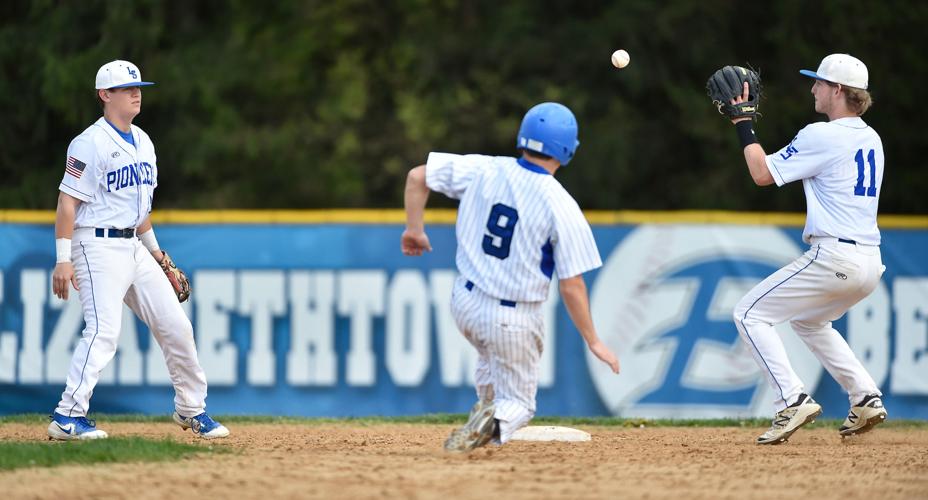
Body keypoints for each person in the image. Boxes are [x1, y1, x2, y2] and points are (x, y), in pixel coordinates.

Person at [401, 102, 620, 452]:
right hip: (512, 316)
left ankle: (485, 414)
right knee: (519, 405)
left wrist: (414, 229)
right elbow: (572, 284)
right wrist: (593, 340)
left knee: (490, 361)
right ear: (568, 151)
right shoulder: (560, 204)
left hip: (465, 302)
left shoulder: (484, 168)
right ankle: (491, 423)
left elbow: (416, 176)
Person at [48, 60, 229, 440]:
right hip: (95, 244)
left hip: (133, 245)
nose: (136, 93)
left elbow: (140, 210)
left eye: (139, 87)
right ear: (104, 95)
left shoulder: (144, 141)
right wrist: (63, 260)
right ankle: (67, 415)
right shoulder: (89, 142)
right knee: (104, 330)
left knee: (176, 326)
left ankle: (191, 409)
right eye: (126, 88)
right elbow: (67, 202)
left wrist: (158, 253)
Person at [727, 54, 887, 444]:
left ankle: (791, 399)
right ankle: (865, 396)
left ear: (837, 90)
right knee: (809, 322)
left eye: (819, 82)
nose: (813, 88)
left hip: (835, 256)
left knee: (748, 313)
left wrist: (743, 123)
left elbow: (762, 174)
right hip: (869, 262)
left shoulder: (822, 134)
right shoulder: (871, 137)